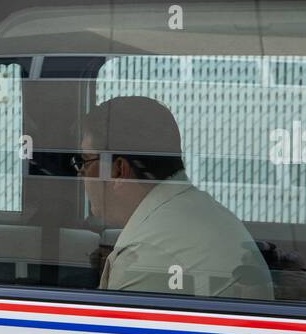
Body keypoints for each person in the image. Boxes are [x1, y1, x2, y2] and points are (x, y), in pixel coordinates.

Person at [76, 96, 273, 300]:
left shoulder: (148, 254)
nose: (80, 173)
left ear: (118, 170)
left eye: (84, 161)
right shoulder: (195, 210)